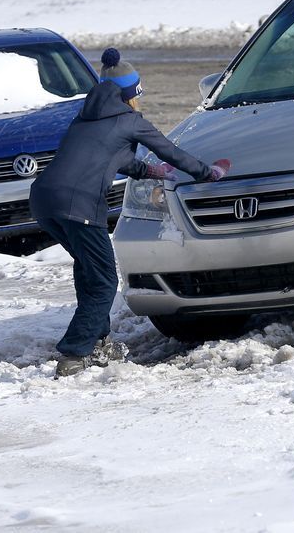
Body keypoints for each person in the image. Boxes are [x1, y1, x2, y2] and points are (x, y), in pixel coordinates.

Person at [30, 47, 230, 378]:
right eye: (138, 93)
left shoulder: (86, 118)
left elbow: (113, 158)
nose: (140, 99)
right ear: (129, 94)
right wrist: (208, 173)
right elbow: (171, 150)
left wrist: (152, 173)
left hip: (44, 201)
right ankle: (74, 353)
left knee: (89, 270)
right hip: (79, 205)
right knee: (106, 280)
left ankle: (98, 340)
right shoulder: (130, 121)